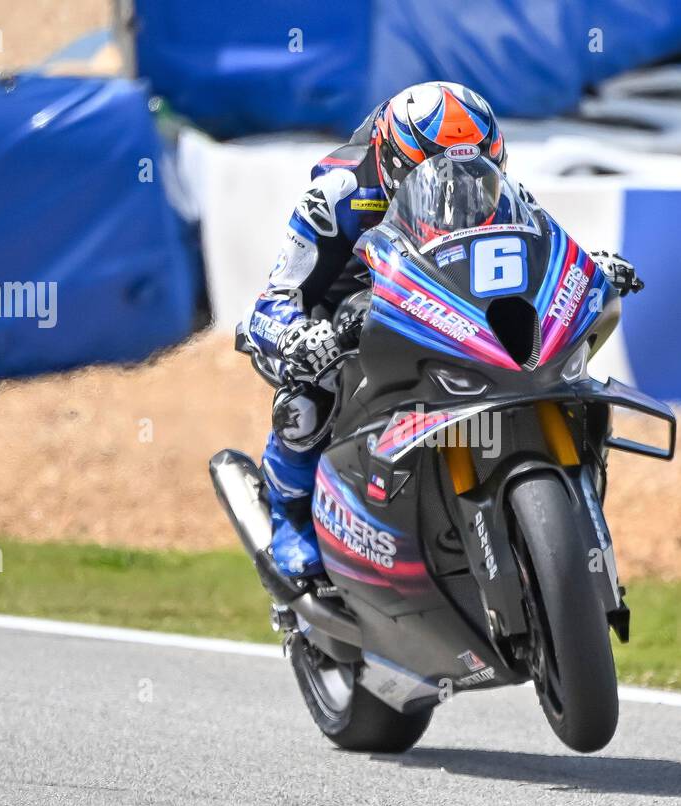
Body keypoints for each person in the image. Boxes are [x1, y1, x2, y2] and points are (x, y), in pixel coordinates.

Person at [238, 81, 640, 581]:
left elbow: (547, 246)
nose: (460, 191)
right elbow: (276, 298)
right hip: (347, 313)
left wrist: (590, 268)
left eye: (476, 173)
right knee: (303, 406)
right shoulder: (336, 195)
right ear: (391, 163)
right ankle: (292, 521)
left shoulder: (500, 192)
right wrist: (298, 336)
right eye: (437, 177)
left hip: (445, 301)